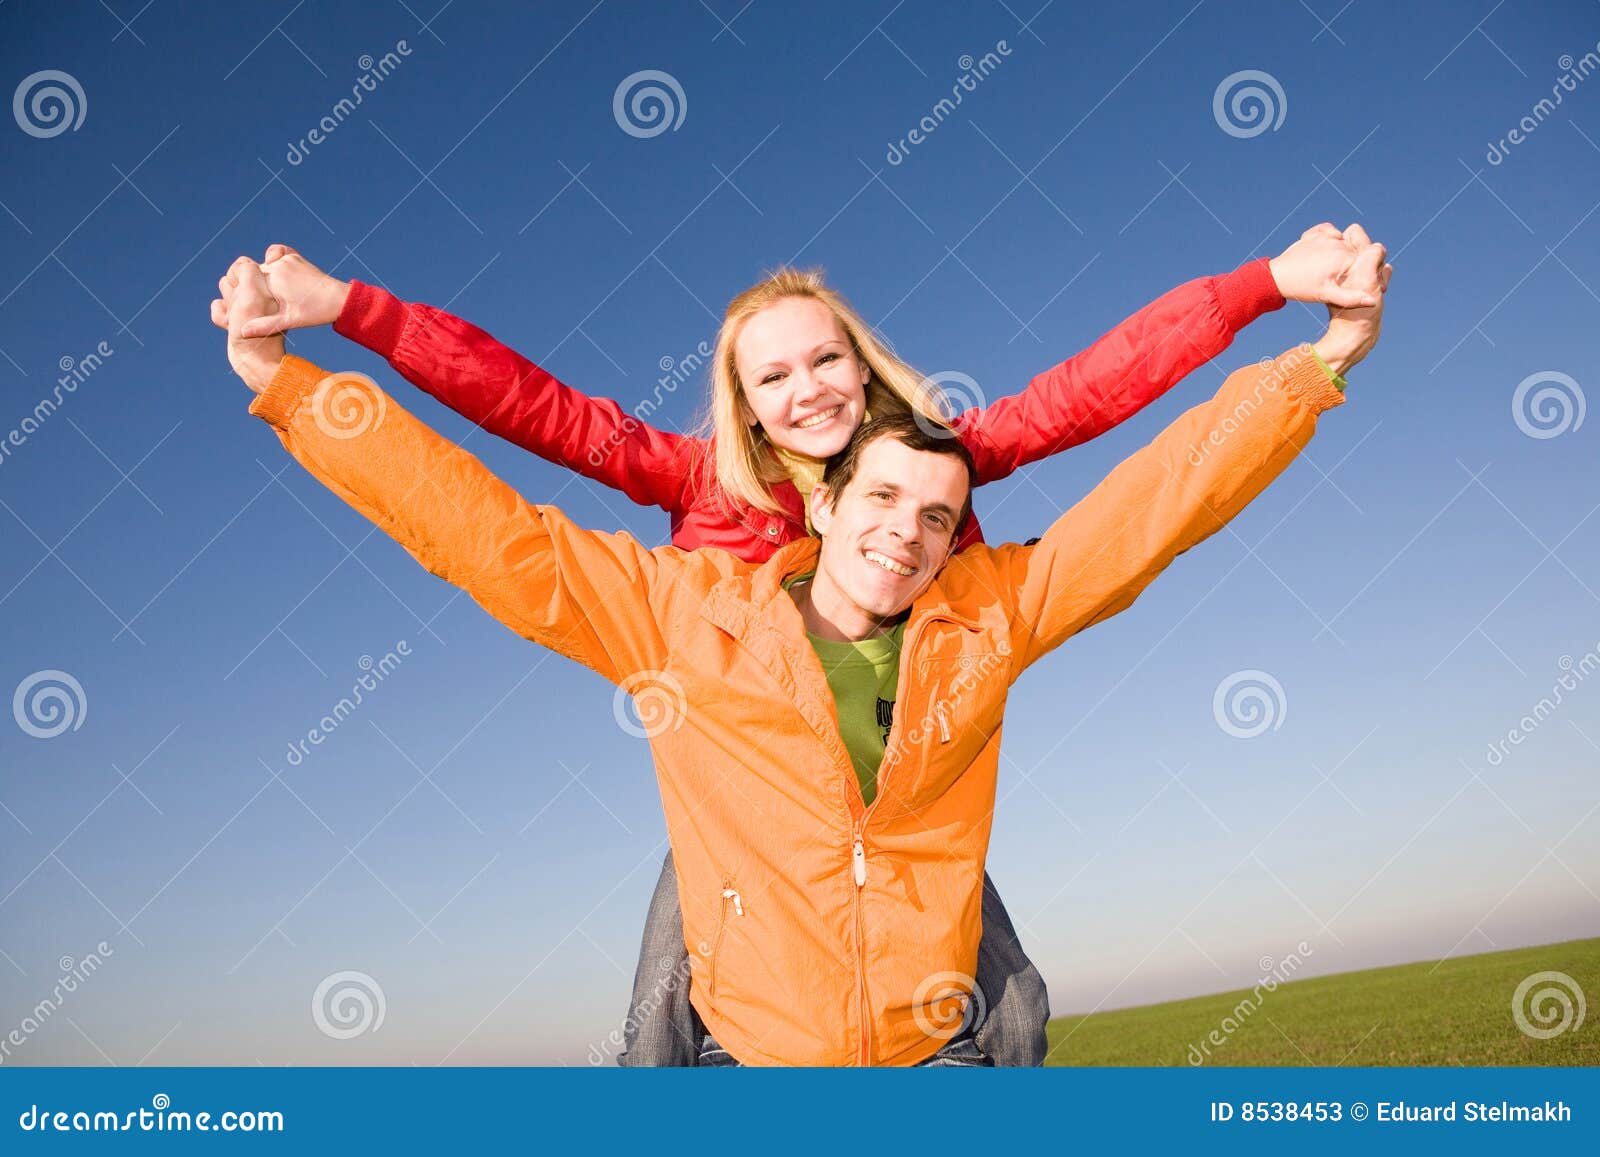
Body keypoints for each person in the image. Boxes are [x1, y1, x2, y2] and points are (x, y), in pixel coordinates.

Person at [211, 227, 1372, 1066]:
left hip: (910, 807)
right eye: (773, 374)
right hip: (744, 813)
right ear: (748, 409)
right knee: (670, 1007)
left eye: (825, 360)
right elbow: (518, 447)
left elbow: (1112, 428)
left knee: (1004, 996)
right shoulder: (691, 524)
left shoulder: (941, 481)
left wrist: (1271, 295)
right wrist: (337, 324)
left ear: (863, 367)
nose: (807, 389)